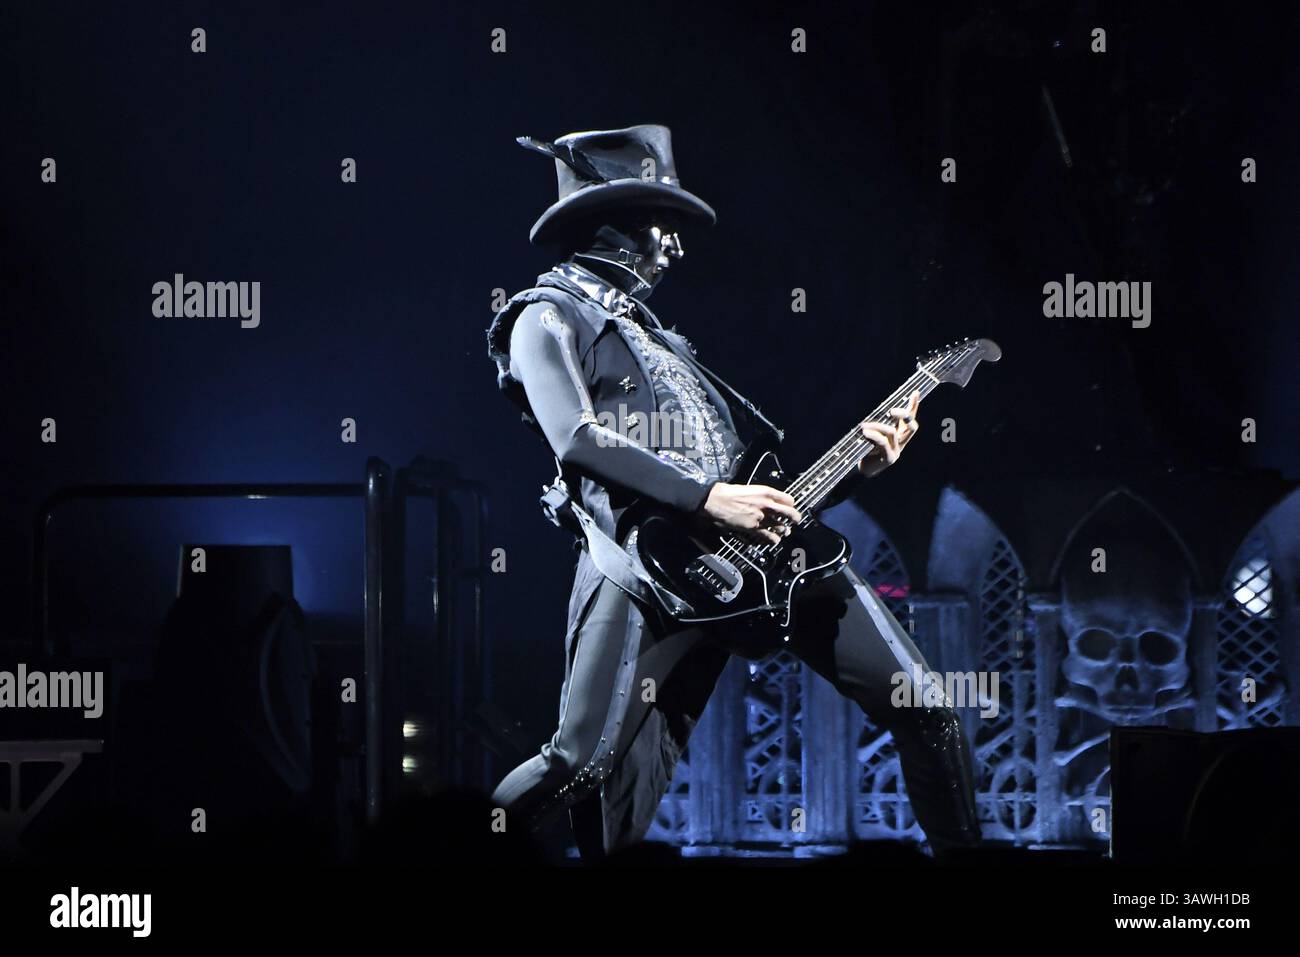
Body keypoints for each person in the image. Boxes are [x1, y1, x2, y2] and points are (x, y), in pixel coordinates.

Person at [486, 125, 979, 859]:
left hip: (753, 567)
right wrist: (704, 499)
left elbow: (749, 477)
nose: (676, 247)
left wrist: (860, 466)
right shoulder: (543, 316)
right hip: (640, 568)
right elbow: (577, 438)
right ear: (612, 225)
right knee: (582, 766)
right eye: (664, 224)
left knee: (929, 706)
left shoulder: (663, 342)